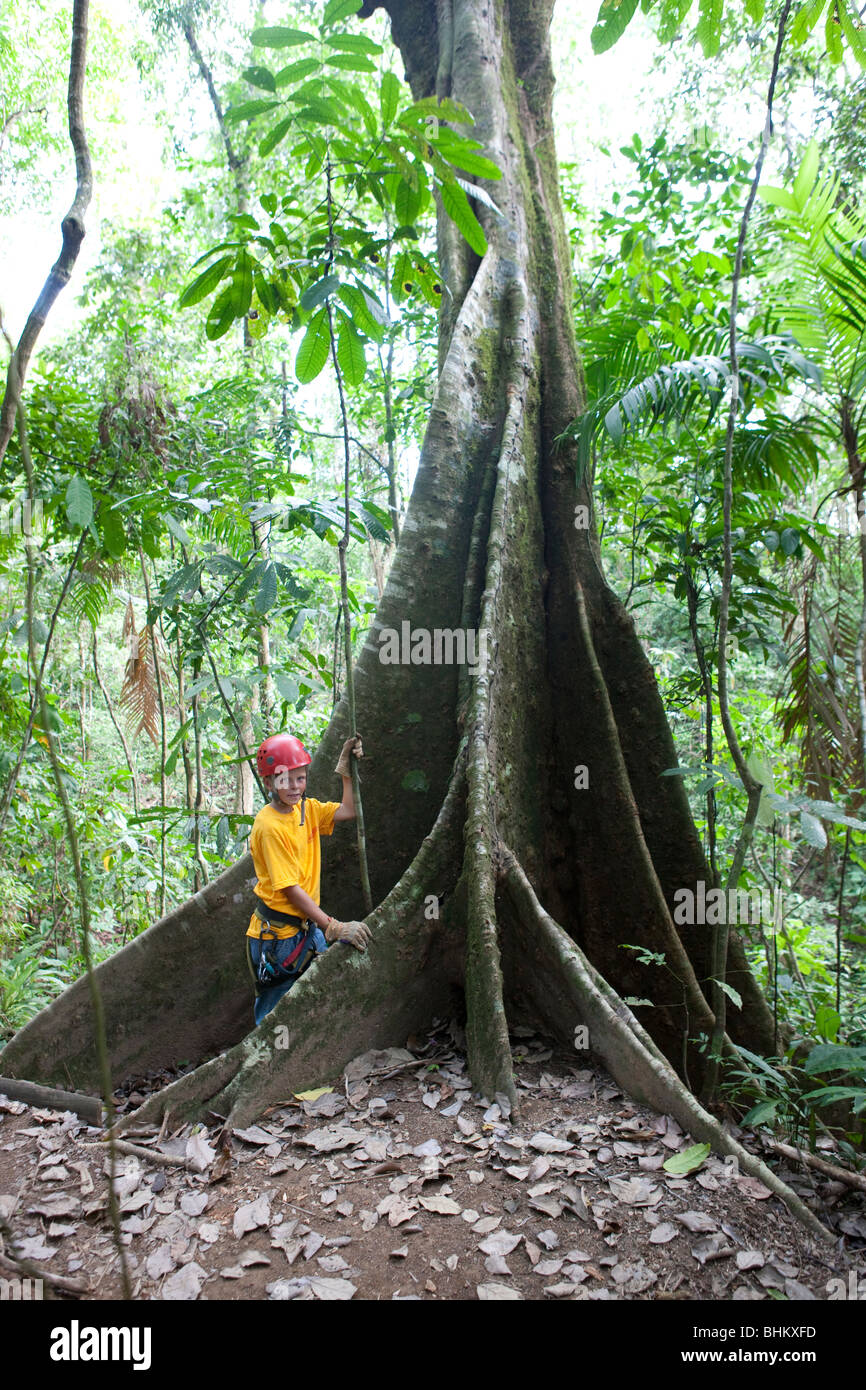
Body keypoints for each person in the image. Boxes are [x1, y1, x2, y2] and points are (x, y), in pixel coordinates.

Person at [246, 731, 371, 1024]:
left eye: (299, 778)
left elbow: (349, 810)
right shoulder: (269, 826)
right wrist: (333, 926)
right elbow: (289, 888)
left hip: (306, 931)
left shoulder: (306, 810)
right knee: (275, 1019)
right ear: (268, 782)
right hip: (278, 940)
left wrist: (346, 770)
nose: (293, 786)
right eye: (284, 779)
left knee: (319, 1000)